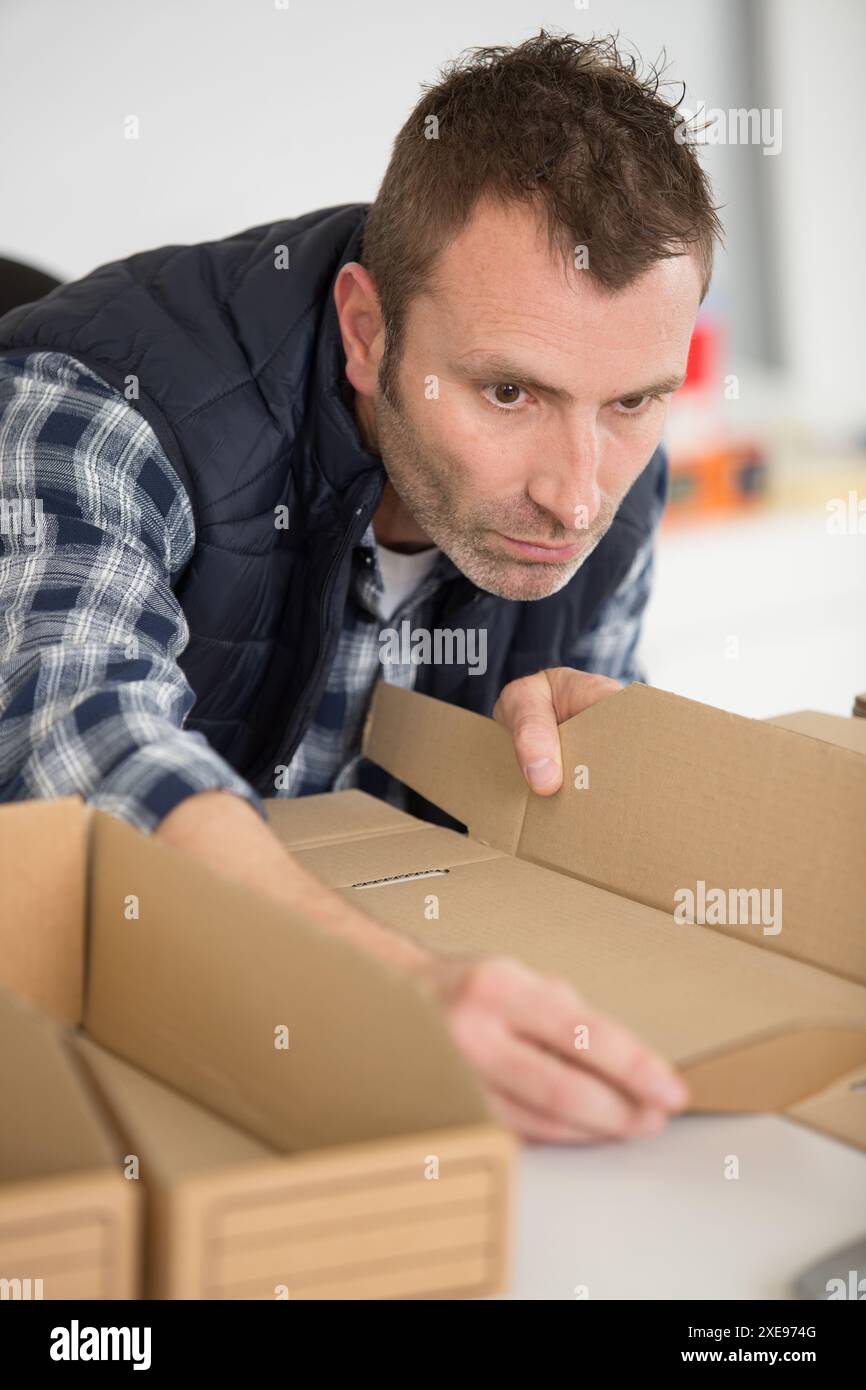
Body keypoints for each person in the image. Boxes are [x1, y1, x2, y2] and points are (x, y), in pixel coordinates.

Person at [0, 32, 722, 1142]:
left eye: (631, 402)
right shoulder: (103, 401)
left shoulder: (612, 469)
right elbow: (71, 742)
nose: (578, 499)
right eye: (508, 392)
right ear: (365, 328)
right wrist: (385, 991)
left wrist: (587, 765)